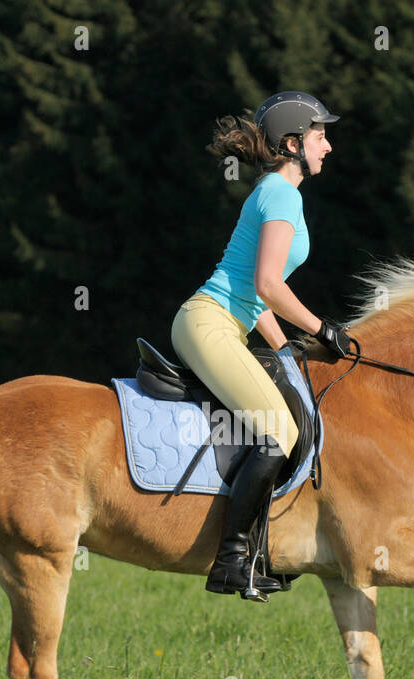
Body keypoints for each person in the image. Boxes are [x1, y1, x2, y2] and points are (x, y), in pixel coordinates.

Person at [171, 91, 352, 599]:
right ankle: (231, 559)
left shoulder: (277, 192)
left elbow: (257, 296)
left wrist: (287, 350)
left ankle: (256, 550)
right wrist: (322, 329)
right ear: (293, 143)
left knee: (286, 418)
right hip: (209, 323)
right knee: (277, 429)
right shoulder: (281, 194)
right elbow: (270, 285)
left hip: (226, 323)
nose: (329, 147)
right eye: (321, 136)